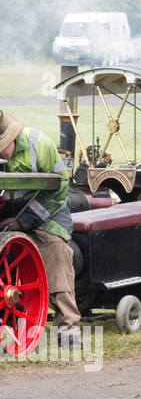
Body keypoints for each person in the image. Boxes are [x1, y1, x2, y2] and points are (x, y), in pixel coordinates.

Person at [0, 111, 80, 348]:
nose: (2, 154)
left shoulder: (39, 144)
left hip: (47, 217)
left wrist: (24, 222)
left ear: (13, 137)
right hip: (6, 217)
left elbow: (59, 189)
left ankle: (68, 329)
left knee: (56, 254)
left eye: (3, 148)